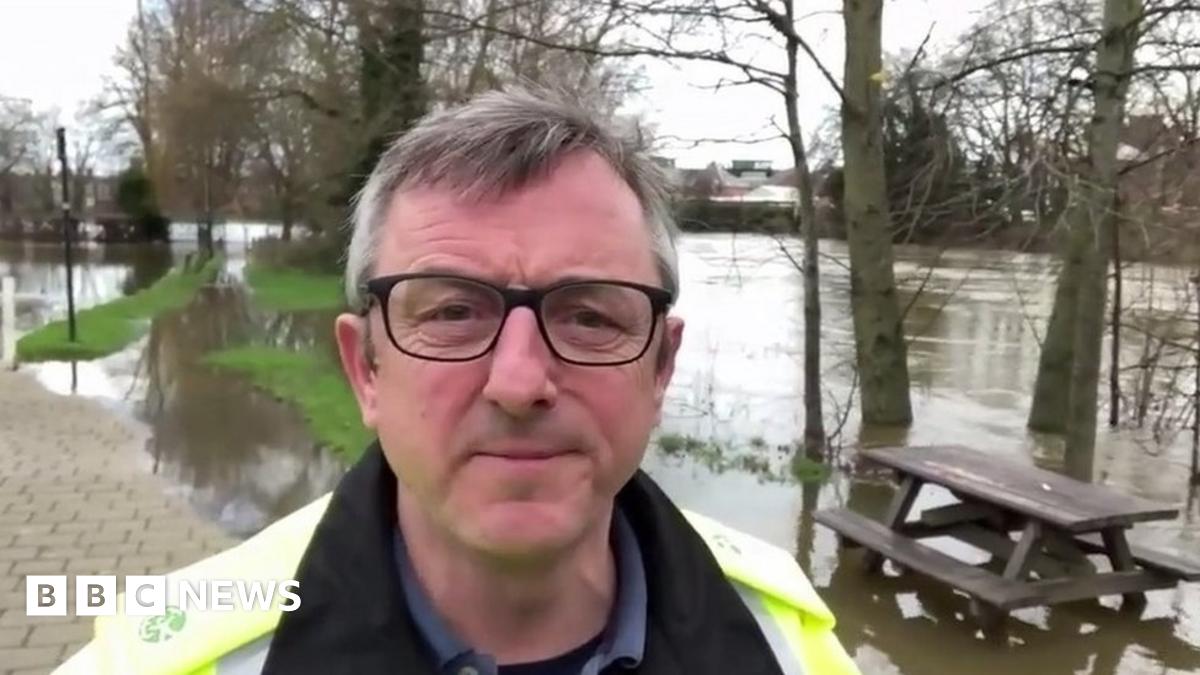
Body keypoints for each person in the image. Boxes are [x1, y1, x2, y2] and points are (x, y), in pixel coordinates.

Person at [56, 86, 859, 675]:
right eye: (450, 313)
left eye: (589, 318)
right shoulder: (165, 654)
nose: (519, 381)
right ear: (364, 367)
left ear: (661, 367)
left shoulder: (787, 638)